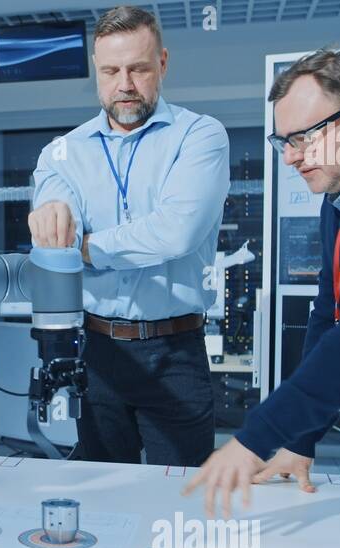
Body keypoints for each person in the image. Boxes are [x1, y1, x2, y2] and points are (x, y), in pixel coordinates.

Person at [184, 49, 340, 517]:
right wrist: (299, 441)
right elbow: (329, 316)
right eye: (282, 141)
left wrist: (252, 439)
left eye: (303, 137)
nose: (290, 158)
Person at [27, 5, 229, 466]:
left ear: (162, 62)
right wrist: (52, 216)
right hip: (97, 354)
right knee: (100, 499)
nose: (124, 84)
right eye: (110, 71)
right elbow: (56, 212)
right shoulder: (61, 153)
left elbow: (176, 231)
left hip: (174, 354)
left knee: (180, 503)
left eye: (138, 68)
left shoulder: (199, 136)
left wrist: (88, 249)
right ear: (95, 72)